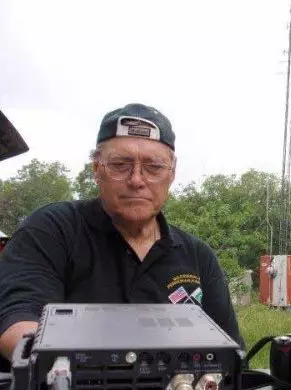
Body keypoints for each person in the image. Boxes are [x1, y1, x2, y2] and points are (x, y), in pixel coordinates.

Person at [0, 103, 244, 367]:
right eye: (120, 164)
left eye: (153, 167)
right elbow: (19, 321)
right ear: (96, 169)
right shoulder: (52, 229)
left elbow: (231, 355)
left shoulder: (198, 256)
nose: (137, 179)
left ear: (172, 173)